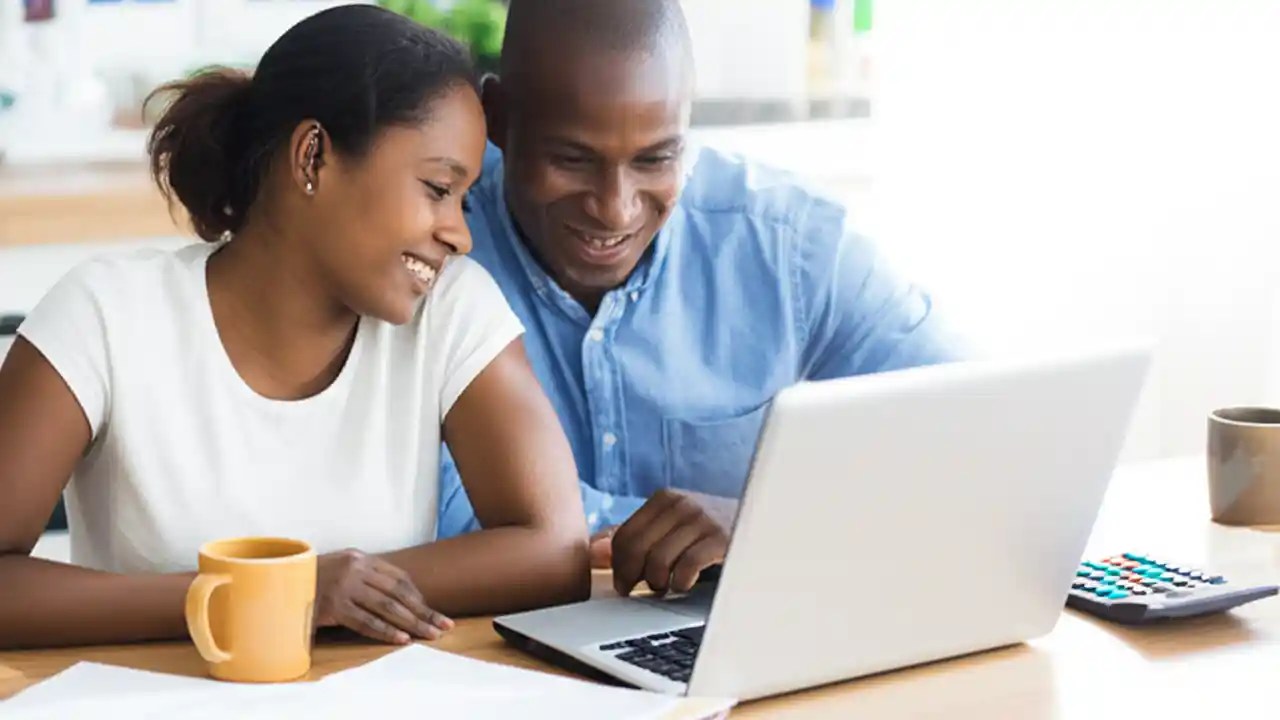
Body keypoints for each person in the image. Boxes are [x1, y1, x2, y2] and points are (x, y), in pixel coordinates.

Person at [0, 5, 589, 651]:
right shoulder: (106, 315)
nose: (460, 234)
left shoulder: (450, 311)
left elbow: (555, 551)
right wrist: (276, 594)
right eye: (436, 187)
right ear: (312, 156)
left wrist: (321, 594)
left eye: (464, 199)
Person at [437, 0, 967, 597]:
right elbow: (447, 514)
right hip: (486, 655)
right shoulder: (431, 247)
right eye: (573, 159)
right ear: (499, 122)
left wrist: (766, 526)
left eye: (656, 158)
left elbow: (977, 431)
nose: (616, 207)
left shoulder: (787, 246)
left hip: (736, 645)